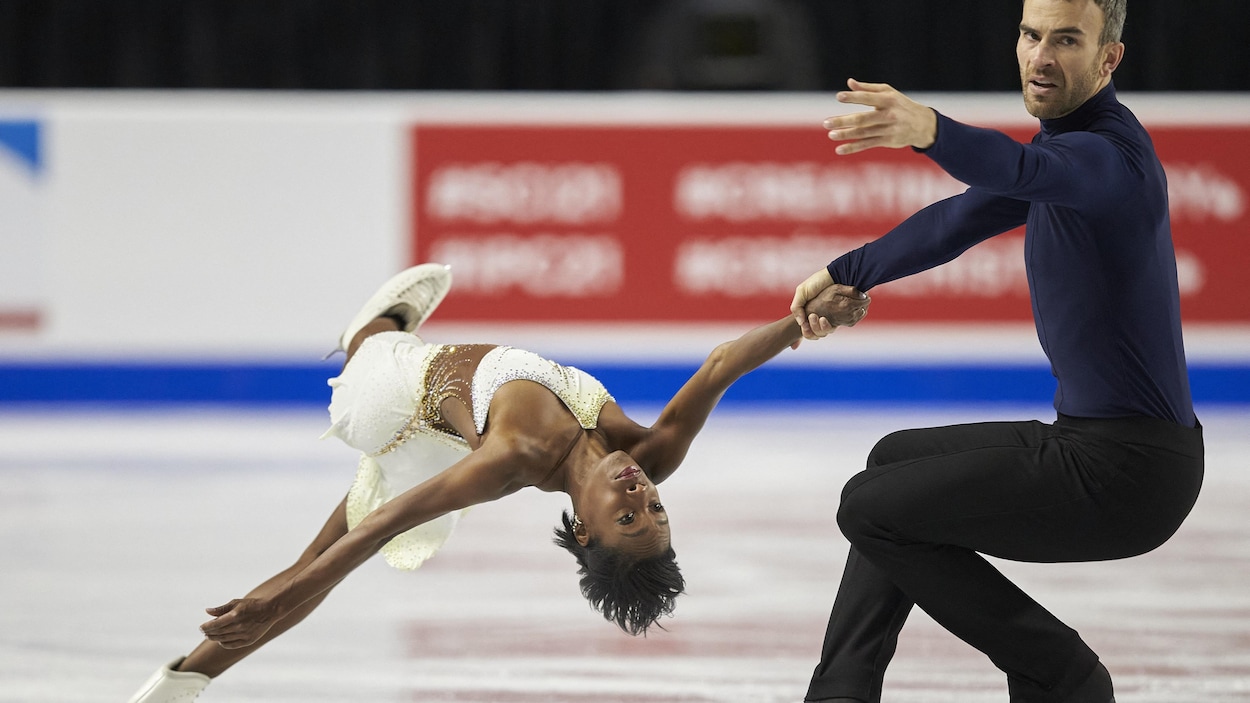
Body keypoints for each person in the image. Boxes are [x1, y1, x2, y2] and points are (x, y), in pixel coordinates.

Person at [125, 262, 868, 702]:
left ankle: (371, 332)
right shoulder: (646, 454)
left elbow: (379, 530)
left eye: (628, 517)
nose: (641, 494)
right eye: (657, 510)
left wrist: (280, 593)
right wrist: (803, 321)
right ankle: (184, 681)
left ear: (585, 529)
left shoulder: (514, 455)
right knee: (307, 568)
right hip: (434, 445)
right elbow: (719, 367)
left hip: (383, 404)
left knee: (324, 538)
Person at [788, 1, 1203, 702]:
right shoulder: (1063, 157)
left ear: (1109, 59)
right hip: (1094, 445)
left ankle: (1062, 672)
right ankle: (842, 693)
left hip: (1129, 473)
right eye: (1030, 35)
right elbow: (960, 218)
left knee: (870, 508)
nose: (1041, 56)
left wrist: (929, 129)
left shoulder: (1108, 160)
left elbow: (1012, 163)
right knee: (892, 462)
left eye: (1066, 40)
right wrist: (846, 272)